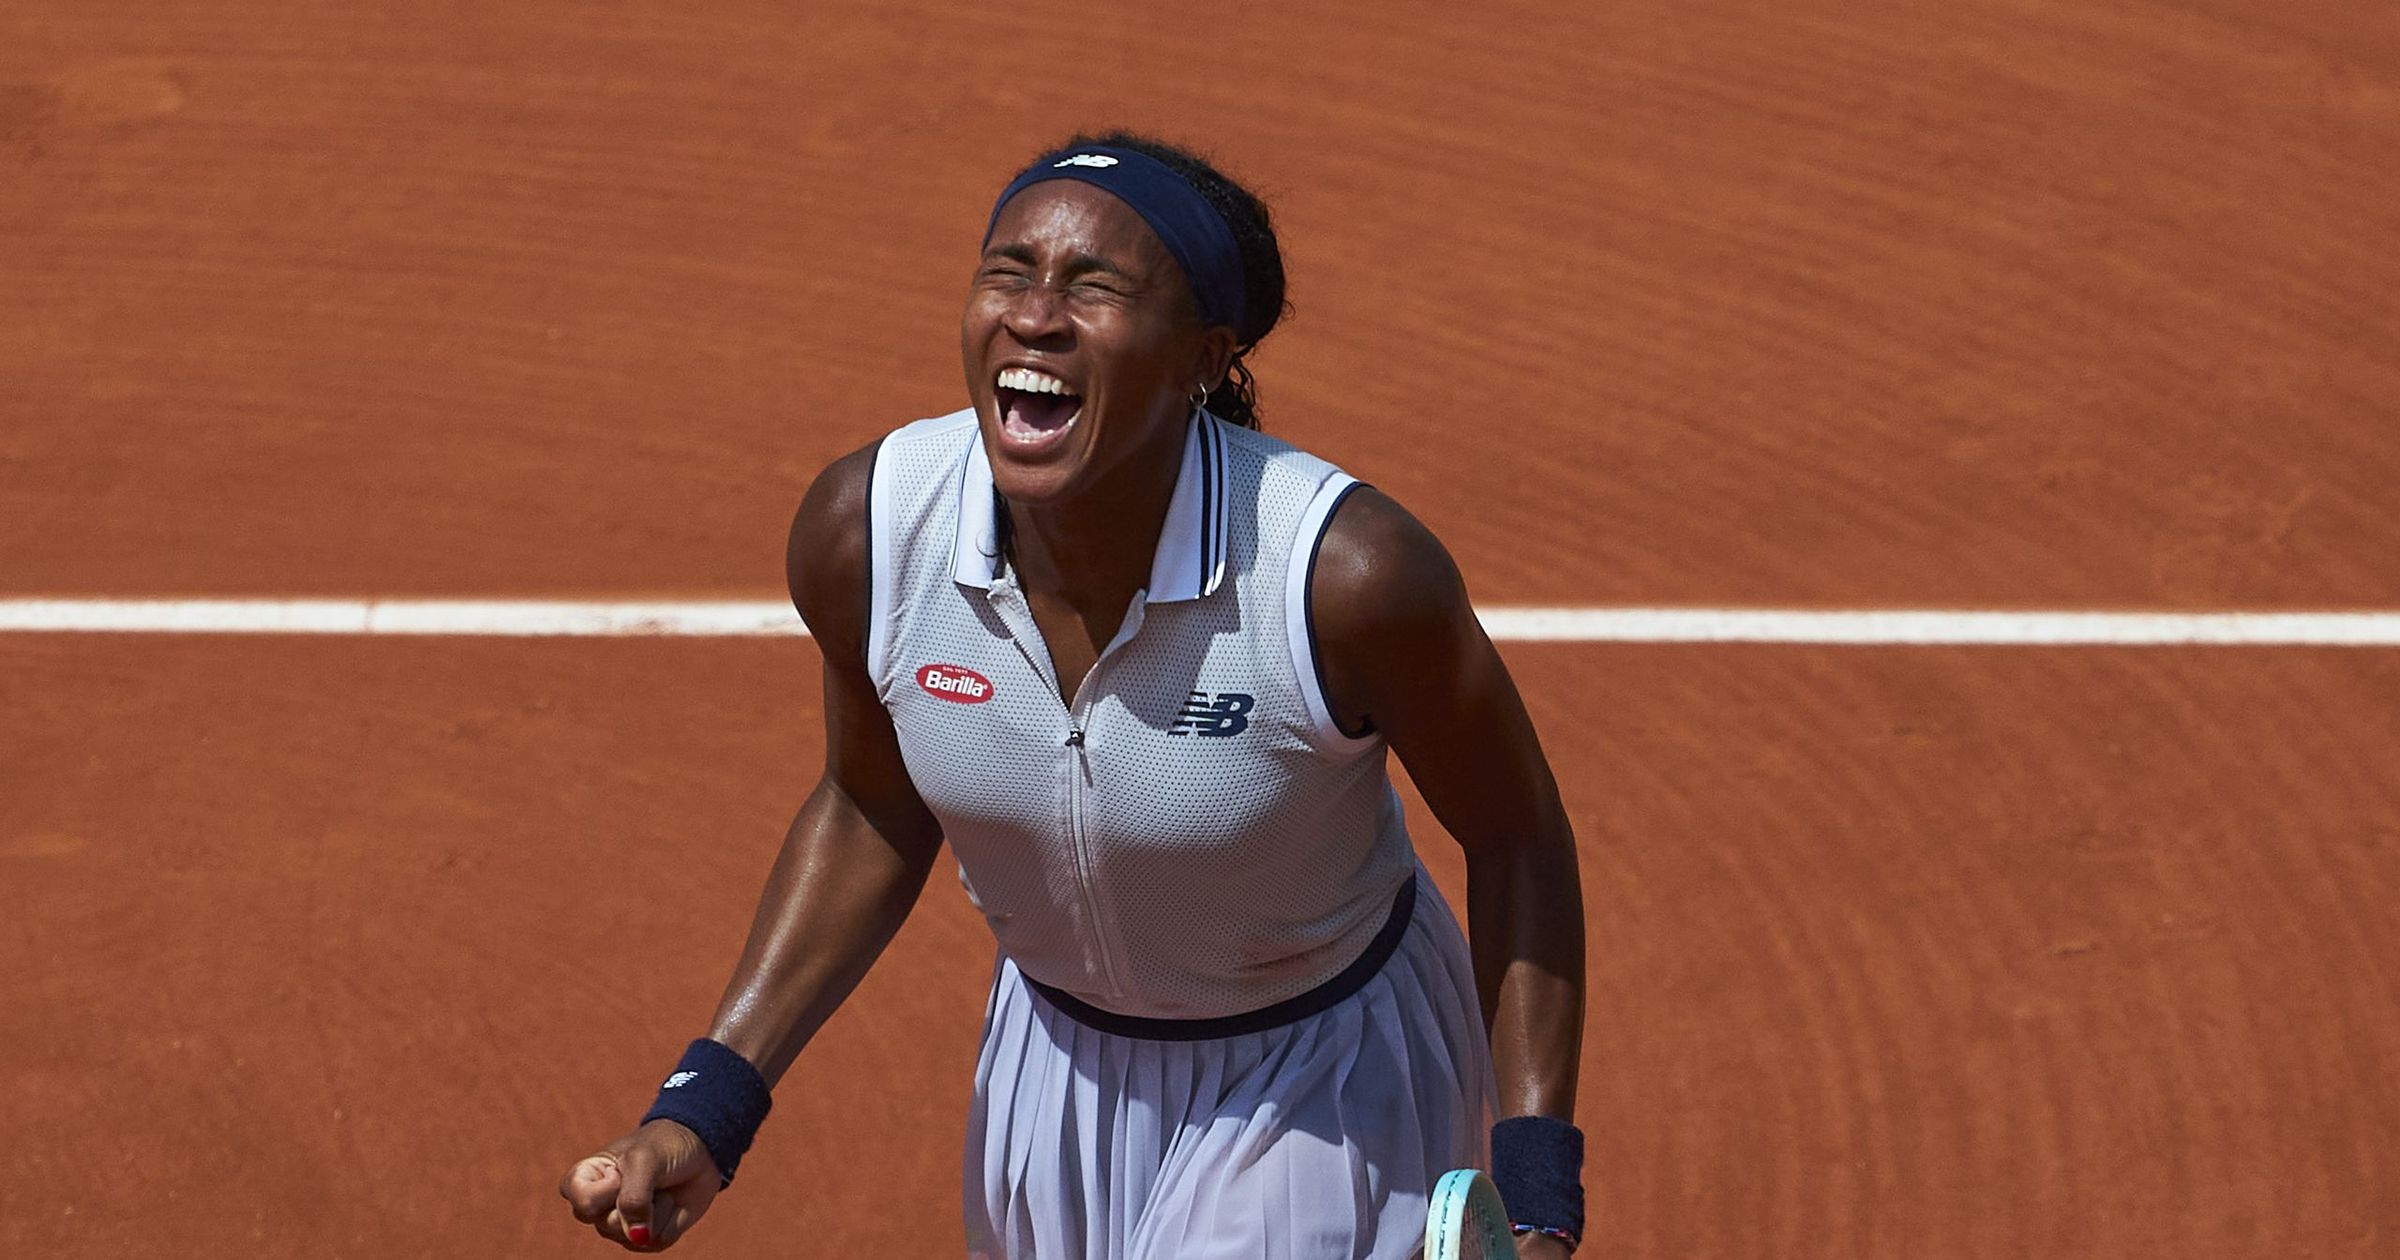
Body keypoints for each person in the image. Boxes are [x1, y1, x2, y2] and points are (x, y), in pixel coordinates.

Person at [558, 131, 1588, 1258]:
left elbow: (1515, 833)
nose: (1035, 316)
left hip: (1322, 1074)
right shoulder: (870, 531)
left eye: (1095, 286)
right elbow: (870, 808)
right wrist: (704, 1107)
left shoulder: (1342, 577)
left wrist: (1537, 1189)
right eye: (1009, 271)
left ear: (1204, 356)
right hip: (1052, 1075)